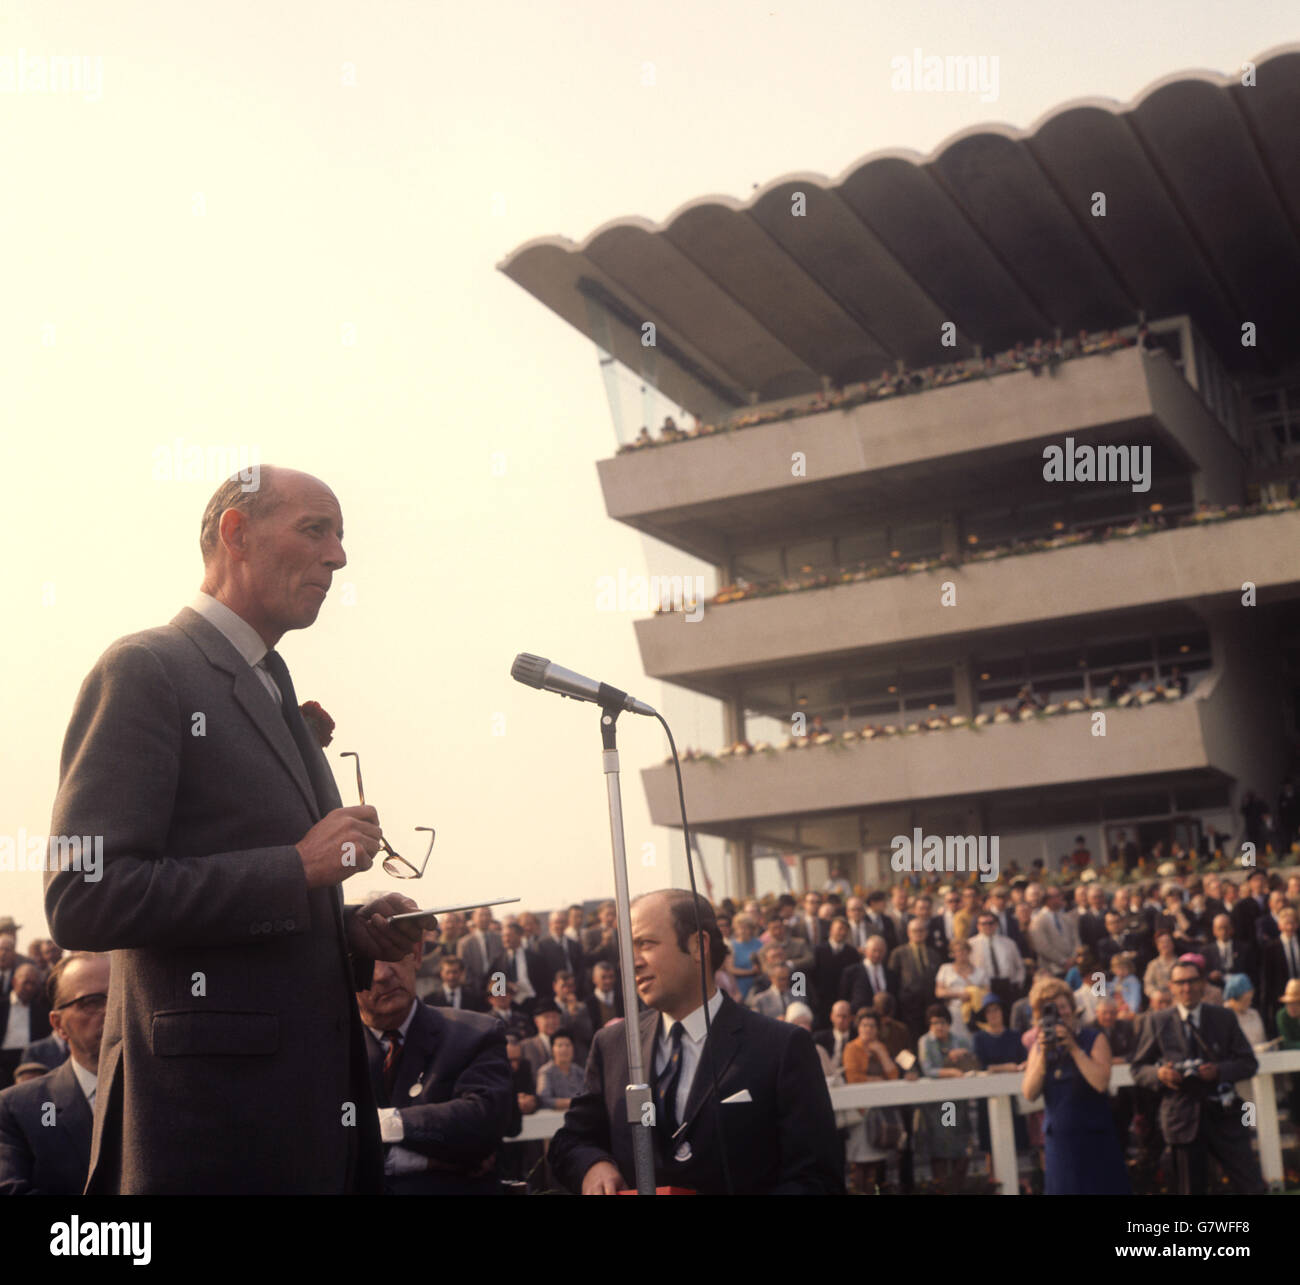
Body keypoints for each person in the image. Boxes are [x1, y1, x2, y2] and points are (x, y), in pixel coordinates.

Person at [44, 467, 422, 1193]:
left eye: (341, 535)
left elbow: (255, 915)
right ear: (236, 534)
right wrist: (297, 866)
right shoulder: (146, 667)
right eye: (317, 529)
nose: (339, 556)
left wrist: (352, 930)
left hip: (303, 1126)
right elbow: (83, 896)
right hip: (208, 1133)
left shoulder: (269, 681)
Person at [548, 889, 843, 1194]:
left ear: (697, 945)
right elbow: (570, 1141)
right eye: (626, 948)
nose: (632, 962)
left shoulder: (782, 1046)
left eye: (645, 944)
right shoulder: (612, 1046)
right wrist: (593, 1165)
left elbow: (817, 1178)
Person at [357, 935, 513, 1195]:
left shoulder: (475, 1033)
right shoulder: (328, 1053)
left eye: (392, 953)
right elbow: (323, 1142)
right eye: (364, 963)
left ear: (416, 955)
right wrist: (430, 1160)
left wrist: (385, 1122)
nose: (383, 974)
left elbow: (482, 1122)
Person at [1130, 958, 1266, 1194]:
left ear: (1203, 983)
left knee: (1251, 1186)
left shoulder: (1224, 1017)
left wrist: (1219, 1071)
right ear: (1170, 986)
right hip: (1182, 1119)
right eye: (1180, 982)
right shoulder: (1156, 1021)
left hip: (1226, 1116)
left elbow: (1249, 1063)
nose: (1186, 988)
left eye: (1192, 981)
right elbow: (1138, 1068)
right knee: (1190, 1189)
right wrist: (1160, 1074)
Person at [0, 952, 110, 1194]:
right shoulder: (17, 1109)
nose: (112, 1012)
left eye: (121, 999)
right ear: (58, 1025)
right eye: (92, 1002)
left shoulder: (170, 1095)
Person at [1021, 976, 1129, 1194]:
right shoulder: (1039, 1047)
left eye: (1062, 1006)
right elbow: (1029, 1093)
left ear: (1072, 1007)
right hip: (1059, 1143)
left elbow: (1100, 1082)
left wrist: (1073, 1048)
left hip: (1094, 1139)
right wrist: (1043, 1056)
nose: (1059, 1013)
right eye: (1050, 1009)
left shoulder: (1093, 1039)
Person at [841, 1009, 900, 1192]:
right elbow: (853, 1077)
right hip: (860, 1111)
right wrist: (877, 1079)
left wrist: (881, 1054)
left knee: (875, 1161)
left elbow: (894, 1076)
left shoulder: (881, 1047)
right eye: (864, 1025)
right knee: (859, 1162)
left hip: (879, 1113)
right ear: (858, 1027)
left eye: (872, 1026)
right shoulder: (851, 1048)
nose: (868, 1029)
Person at [0, 964, 51, 1089]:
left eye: (33, 984)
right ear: (14, 982)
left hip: (29, 1060)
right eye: (26, 982)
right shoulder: (1, 1006)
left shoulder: (42, 1012)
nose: (29, 988)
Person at [934, 936, 989, 1041]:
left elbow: (988, 992)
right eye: (958, 951)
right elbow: (939, 992)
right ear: (953, 953)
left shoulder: (980, 971)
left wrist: (974, 994)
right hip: (953, 1011)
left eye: (964, 950)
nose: (961, 953)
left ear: (969, 951)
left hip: (974, 1013)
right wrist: (959, 995)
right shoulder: (945, 969)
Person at [536, 1030, 585, 1111]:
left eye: (568, 1045)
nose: (564, 1049)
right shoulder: (545, 1072)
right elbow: (544, 1099)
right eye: (560, 1046)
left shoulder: (580, 1072)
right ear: (552, 1049)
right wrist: (572, 1102)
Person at [725, 913, 764, 1000]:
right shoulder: (731, 945)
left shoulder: (759, 943)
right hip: (740, 986)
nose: (742, 931)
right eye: (739, 928)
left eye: (745, 928)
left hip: (759, 985)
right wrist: (750, 972)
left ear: (751, 929)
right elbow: (730, 969)